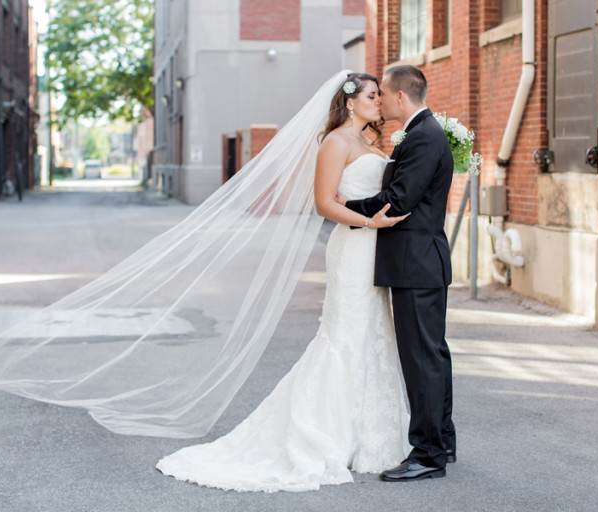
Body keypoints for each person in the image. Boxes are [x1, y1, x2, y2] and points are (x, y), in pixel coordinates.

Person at [153, 72, 417, 492]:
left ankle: (371, 440)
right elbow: (324, 203)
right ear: (350, 102)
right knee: (345, 336)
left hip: (377, 250)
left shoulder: (373, 142)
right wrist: (369, 220)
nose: (380, 101)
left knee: (374, 336)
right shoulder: (336, 143)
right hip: (353, 249)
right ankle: (324, 435)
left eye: (379, 95)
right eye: (372, 95)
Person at [339, 65, 457, 482]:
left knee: (422, 359)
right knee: (432, 355)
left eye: (384, 95)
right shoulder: (423, 132)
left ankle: (427, 455)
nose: (381, 101)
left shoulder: (423, 136)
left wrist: (346, 210)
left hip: (416, 264)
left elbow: (400, 199)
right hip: (419, 263)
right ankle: (442, 440)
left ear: (401, 97)